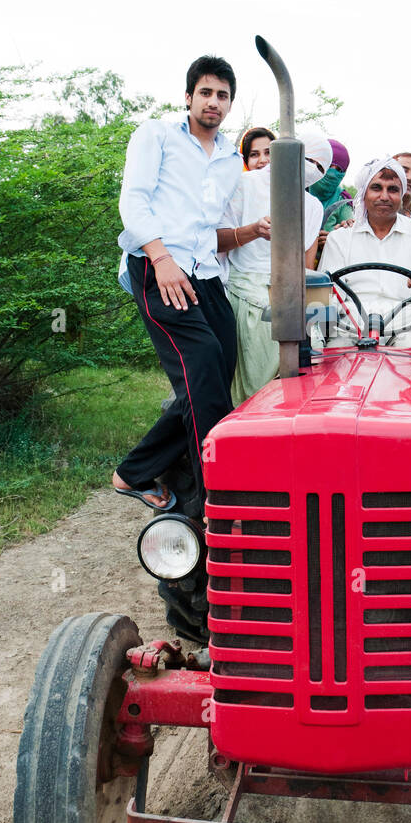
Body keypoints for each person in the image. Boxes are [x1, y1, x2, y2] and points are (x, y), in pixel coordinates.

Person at [112, 55, 243, 513]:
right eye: (205, 92)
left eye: (222, 95)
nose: (213, 102)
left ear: (229, 104)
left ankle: (133, 472)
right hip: (159, 264)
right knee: (202, 363)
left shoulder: (231, 157)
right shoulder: (157, 135)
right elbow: (134, 201)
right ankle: (219, 502)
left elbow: (215, 224)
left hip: (205, 272)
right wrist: (161, 258)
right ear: (188, 97)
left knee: (217, 369)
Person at [222, 135, 330, 404]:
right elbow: (215, 239)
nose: (311, 169)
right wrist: (254, 230)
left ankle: (302, 408)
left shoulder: (313, 206)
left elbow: (305, 265)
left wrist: (313, 309)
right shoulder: (244, 184)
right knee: (267, 326)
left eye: (320, 166)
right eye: (307, 160)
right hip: (246, 280)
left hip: (289, 284)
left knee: (319, 337)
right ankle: (254, 405)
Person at [319, 157, 411, 347]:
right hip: (348, 329)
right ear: (363, 193)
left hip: (407, 328)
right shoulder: (340, 238)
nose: (384, 196)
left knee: (410, 359)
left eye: (393, 189)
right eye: (376, 188)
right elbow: (329, 295)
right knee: (335, 363)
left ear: (402, 195)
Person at [310, 138, 354, 258]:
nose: (332, 174)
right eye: (329, 165)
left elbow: (349, 234)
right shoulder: (297, 191)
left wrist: (333, 240)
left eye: (339, 170)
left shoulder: (342, 201)